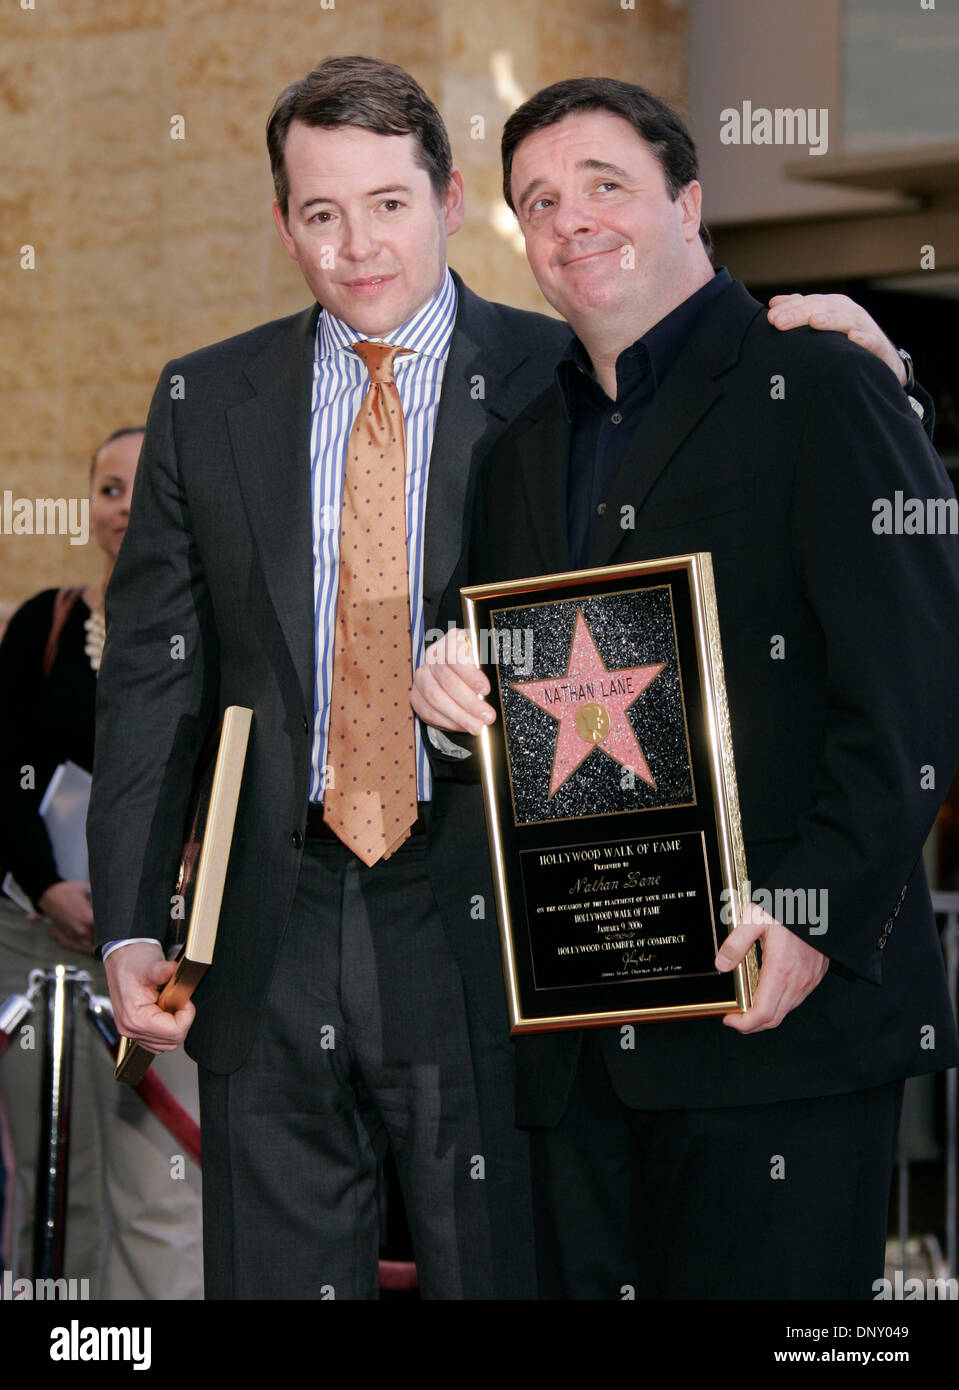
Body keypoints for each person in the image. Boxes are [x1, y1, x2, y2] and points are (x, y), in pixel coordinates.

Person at [88, 57, 923, 1302]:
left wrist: (869, 359)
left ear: (446, 198)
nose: (356, 245)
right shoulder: (207, 401)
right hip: (266, 926)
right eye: (319, 213)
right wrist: (132, 922)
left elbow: (759, 444)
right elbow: (157, 684)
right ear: (281, 224)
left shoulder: (566, 365)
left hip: (494, 924)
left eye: (385, 203)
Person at [412, 76, 959, 1300]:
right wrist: (452, 699)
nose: (570, 220)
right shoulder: (517, 454)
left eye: (604, 183)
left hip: (771, 1015)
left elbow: (911, 688)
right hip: (575, 1040)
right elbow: (501, 684)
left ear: (689, 201)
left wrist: (811, 915)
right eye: (538, 201)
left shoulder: (817, 383)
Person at [0, 427, 203, 1299]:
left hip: (163, 947)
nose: (123, 507)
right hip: (36, 938)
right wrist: (49, 886)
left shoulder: (214, 622)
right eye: (107, 489)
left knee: (161, 1177)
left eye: (141, 486)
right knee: (55, 1173)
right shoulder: (44, 622)